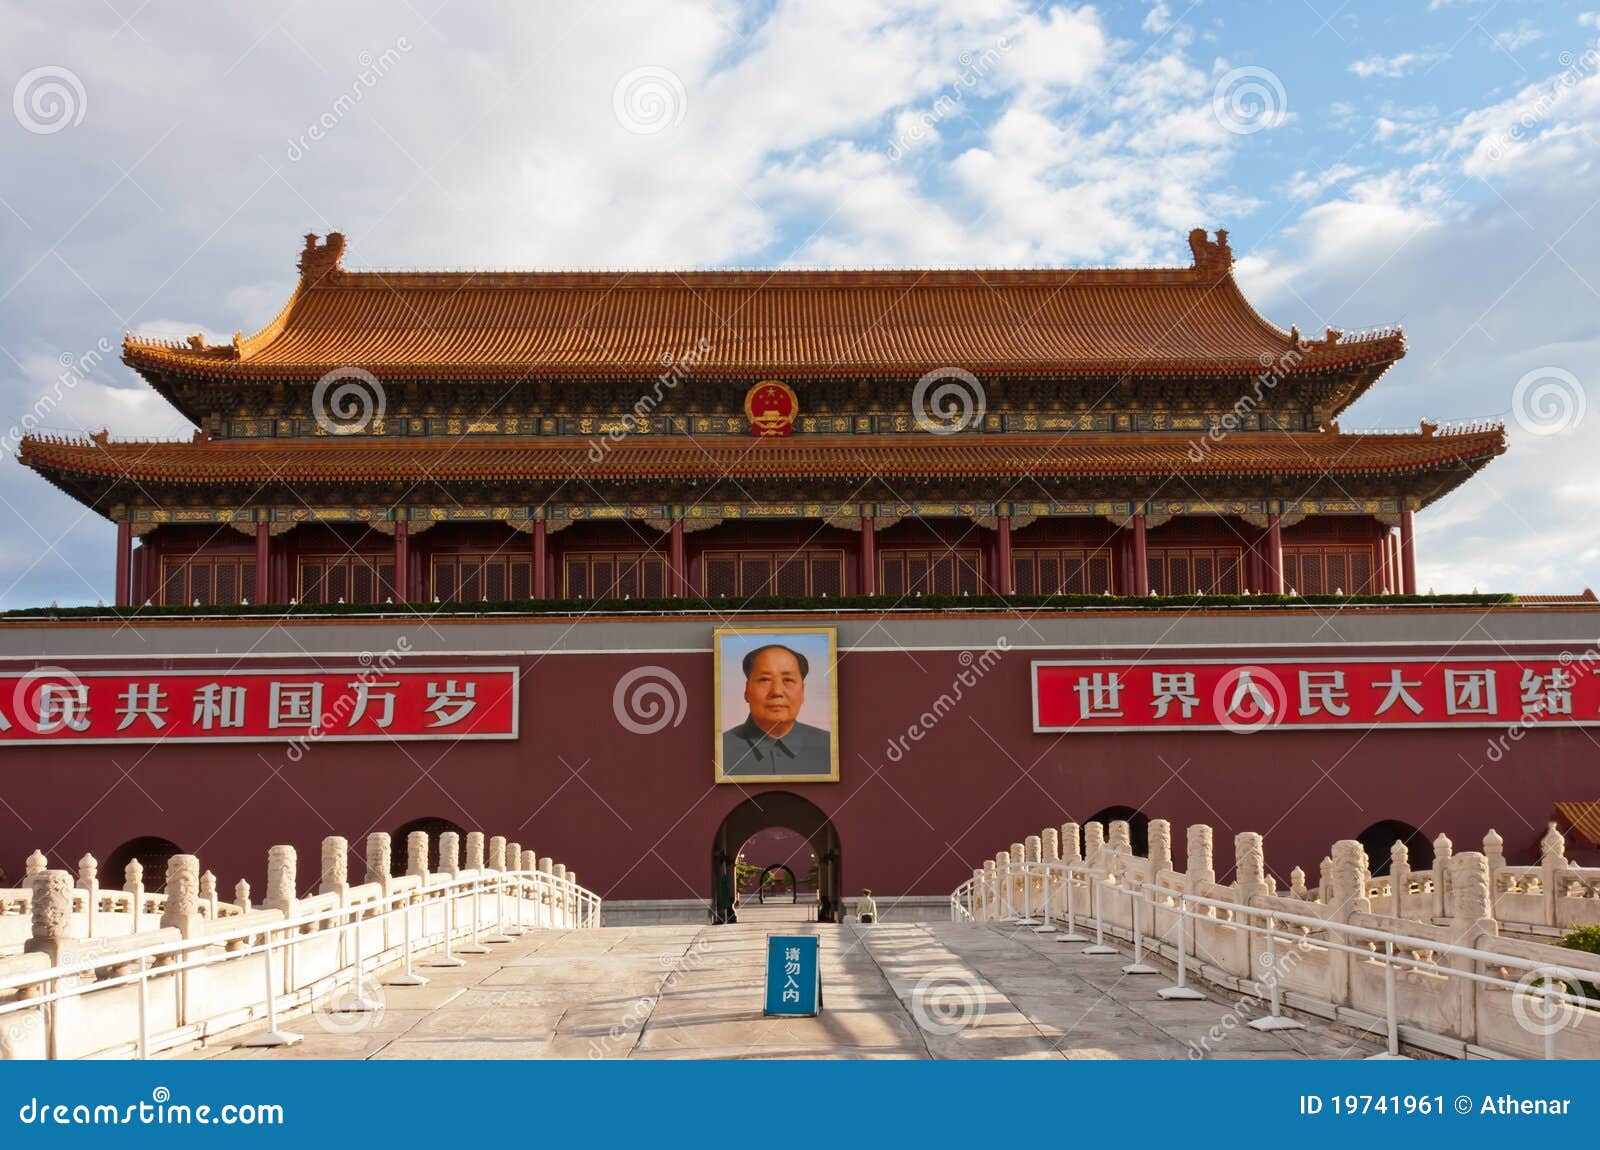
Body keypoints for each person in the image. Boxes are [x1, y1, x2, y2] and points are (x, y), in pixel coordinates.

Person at [721, 643, 832, 777]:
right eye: (765, 680)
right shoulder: (719, 749)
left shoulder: (831, 747)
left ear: (803, 691)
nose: (777, 692)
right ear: (747, 691)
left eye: (788, 680)